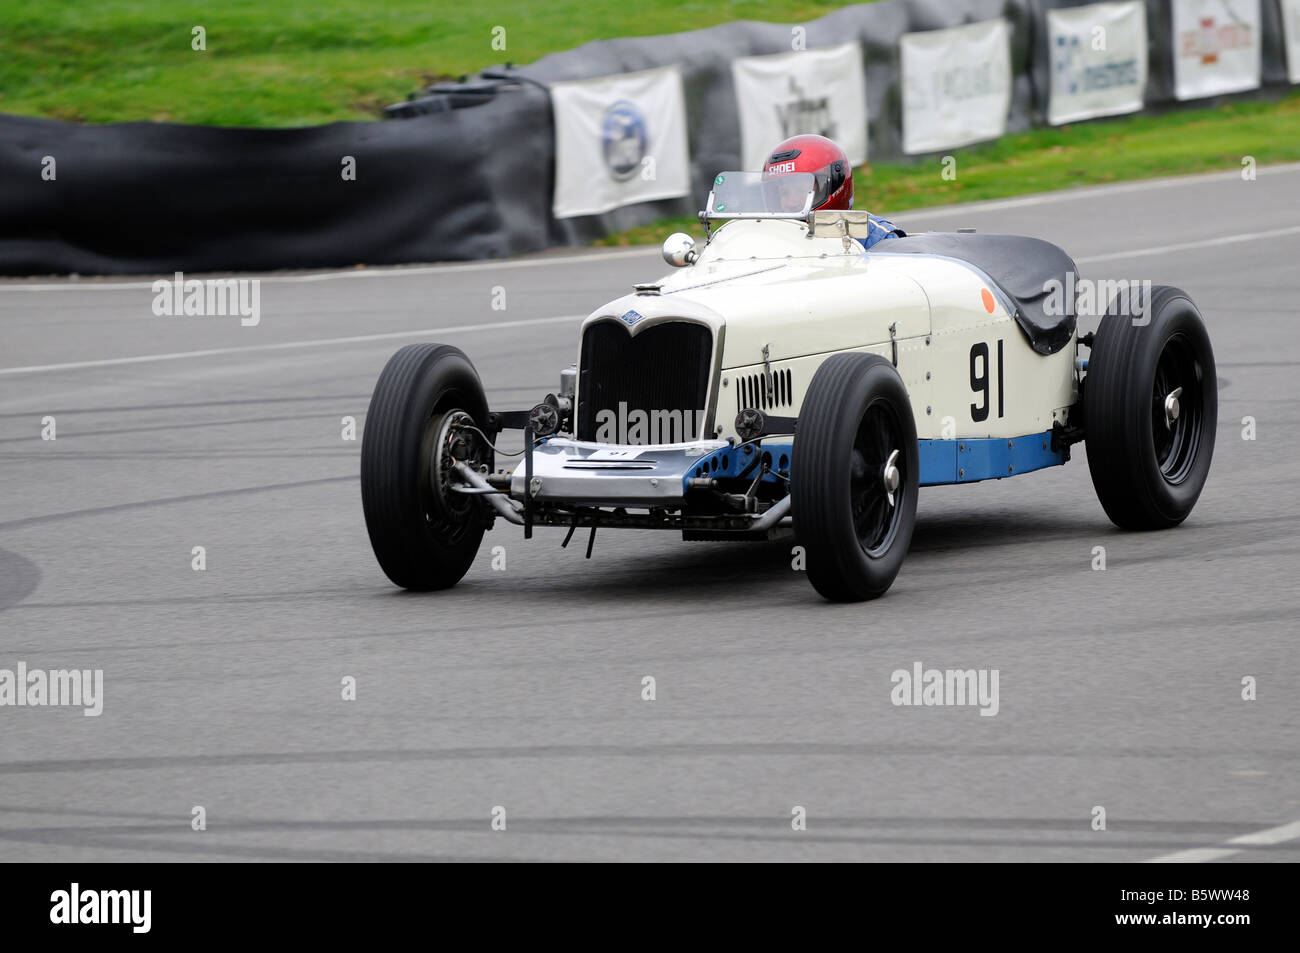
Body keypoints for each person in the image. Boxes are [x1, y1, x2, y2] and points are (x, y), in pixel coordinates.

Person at [762, 134, 905, 251]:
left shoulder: (874, 238)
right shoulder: (765, 241)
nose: (790, 202)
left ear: (835, 182)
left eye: (801, 190)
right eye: (784, 193)